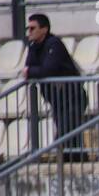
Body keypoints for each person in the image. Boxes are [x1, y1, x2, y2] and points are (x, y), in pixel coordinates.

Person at [23, 14, 88, 150]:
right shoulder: (34, 46)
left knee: (65, 135)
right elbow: (28, 68)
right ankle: (76, 165)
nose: (29, 32)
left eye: (33, 28)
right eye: (28, 29)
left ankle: (68, 164)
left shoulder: (54, 44)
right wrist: (32, 51)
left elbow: (48, 70)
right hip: (57, 100)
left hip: (72, 97)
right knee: (72, 139)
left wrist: (30, 72)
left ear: (44, 29)